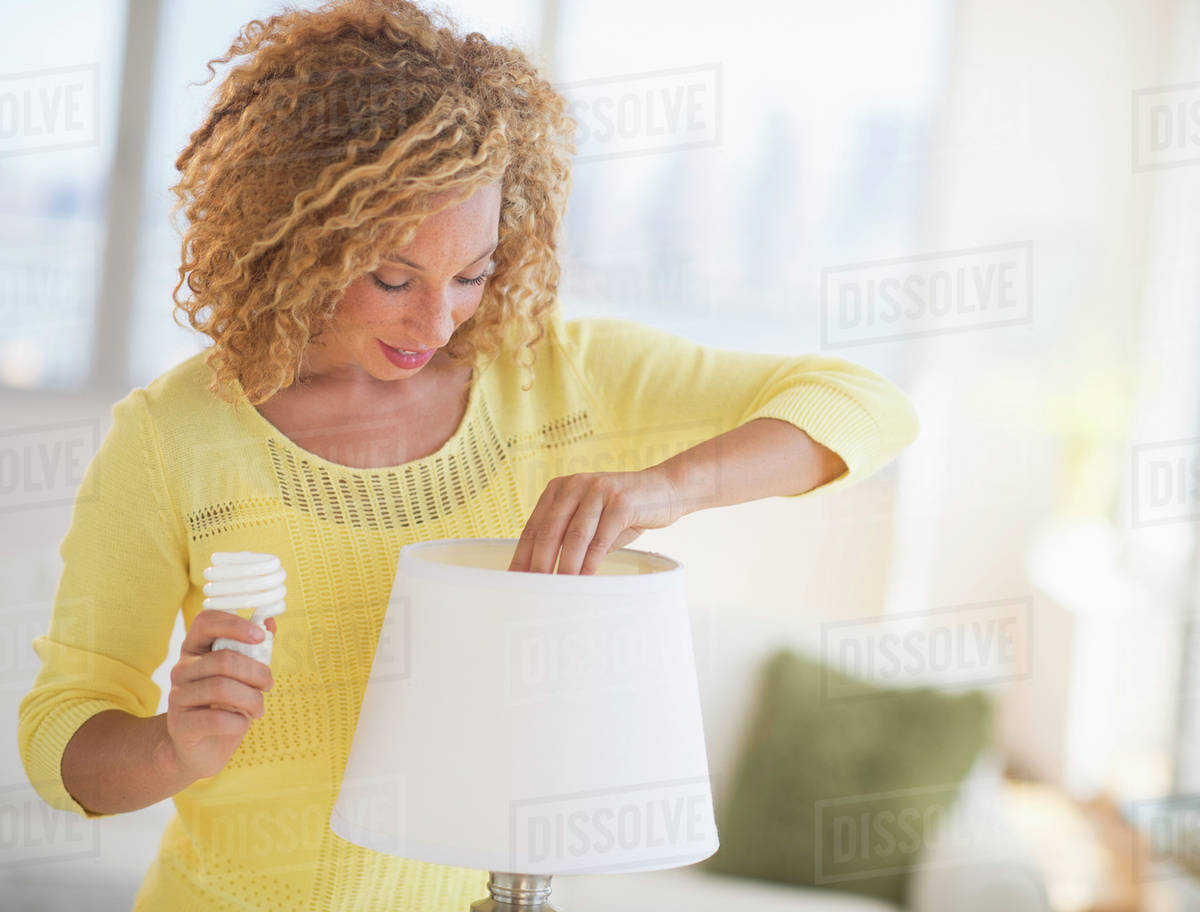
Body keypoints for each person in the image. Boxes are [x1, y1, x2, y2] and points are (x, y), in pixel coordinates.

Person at [17, 0, 920, 908]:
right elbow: (63, 737)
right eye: (392, 276)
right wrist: (173, 746)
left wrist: (663, 488)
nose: (438, 320)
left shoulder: (556, 377)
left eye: (473, 273)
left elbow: (866, 405)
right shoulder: (172, 437)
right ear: (294, 238)